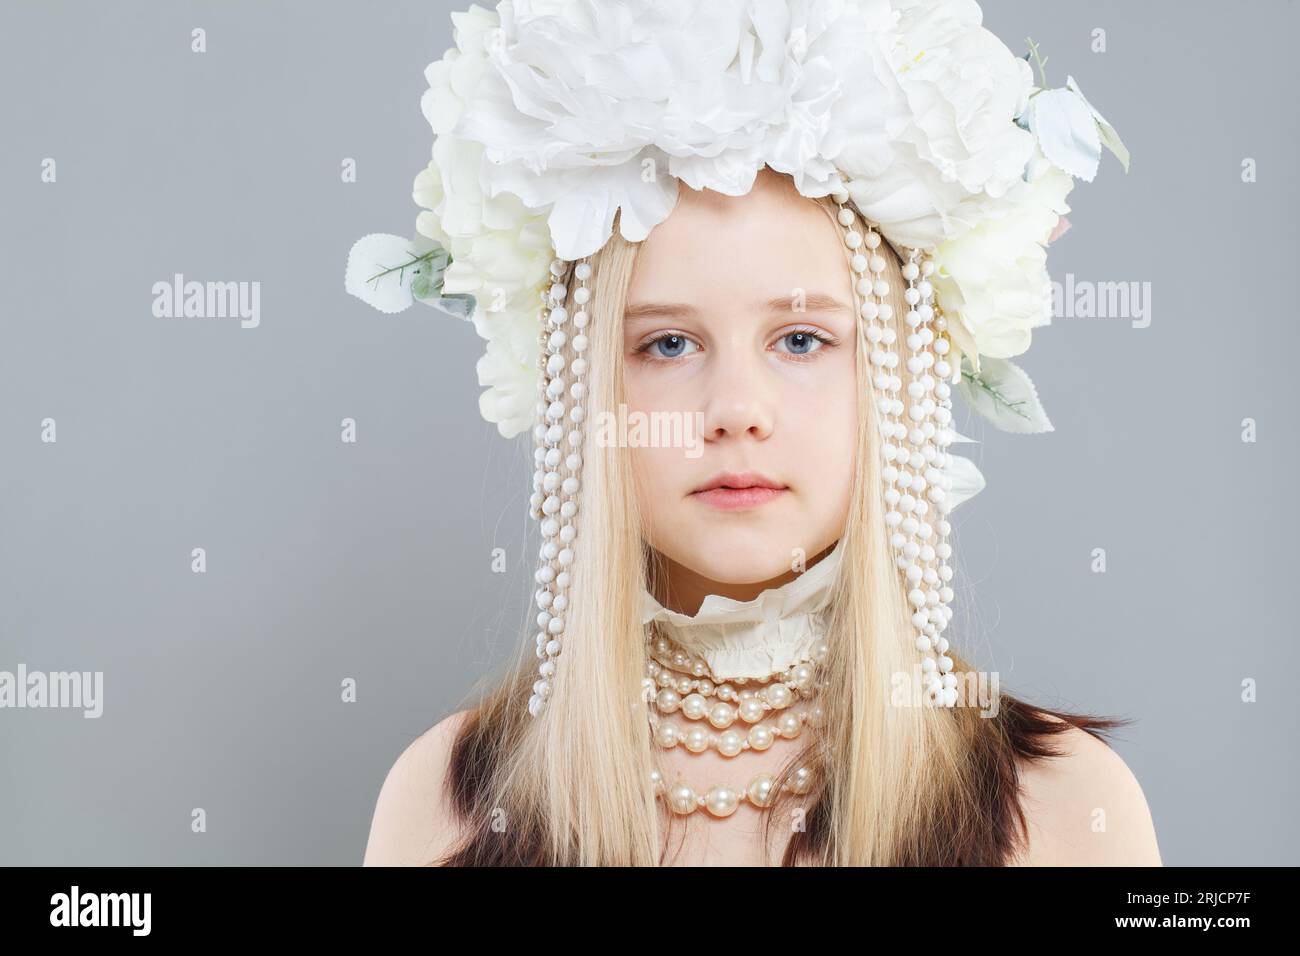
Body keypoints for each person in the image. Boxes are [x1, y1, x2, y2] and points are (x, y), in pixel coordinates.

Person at [351, 0, 1157, 866]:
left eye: (801, 340)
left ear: (896, 374)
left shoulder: (1063, 807)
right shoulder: (445, 804)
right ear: (584, 393)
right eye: (667, 343)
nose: (736, 408)